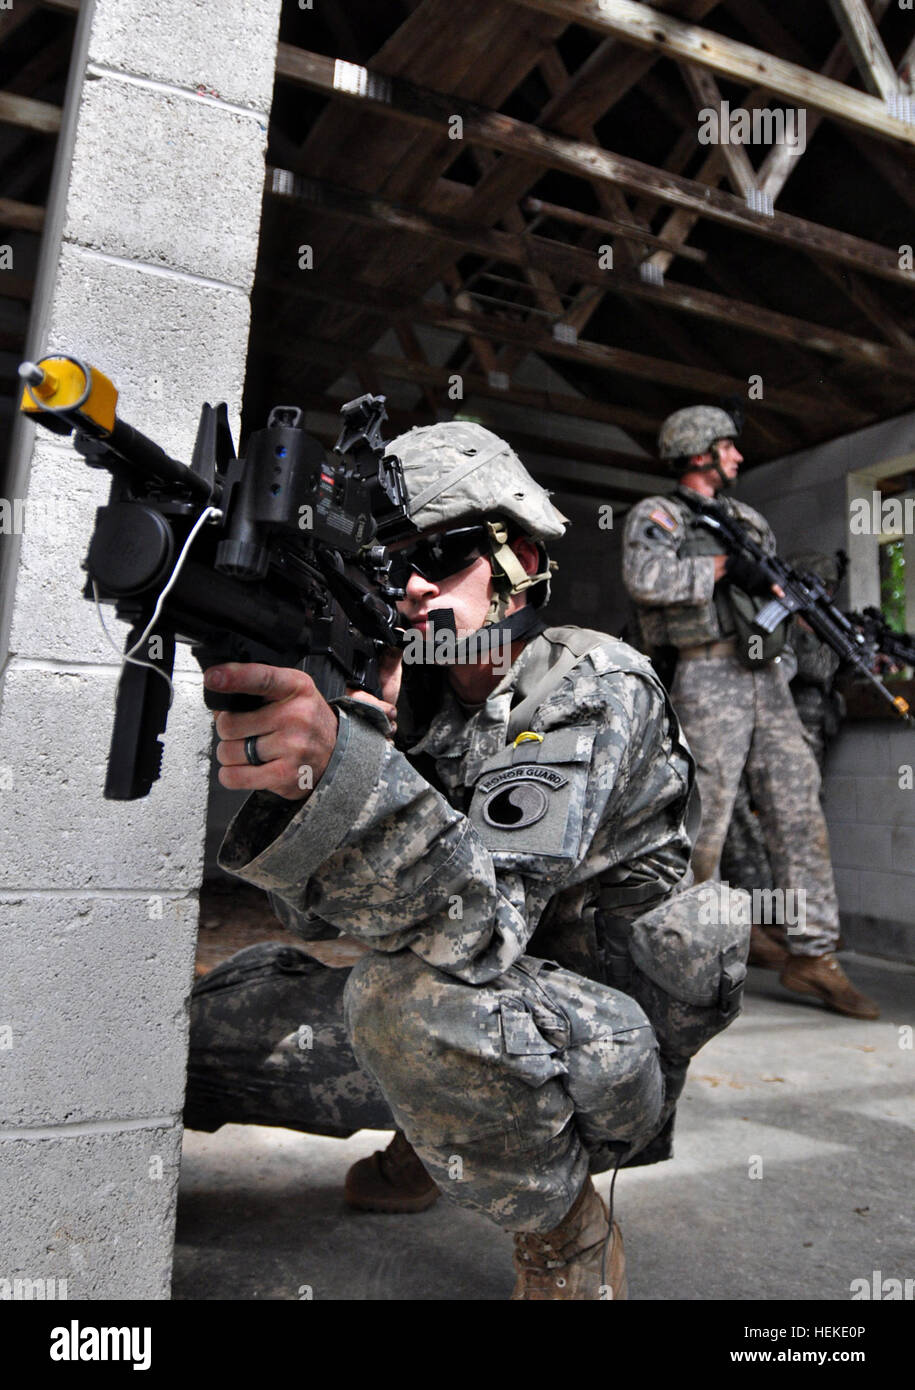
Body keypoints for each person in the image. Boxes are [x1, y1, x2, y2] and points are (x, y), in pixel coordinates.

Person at [184, 420, 745, 1300]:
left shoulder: (587, 679)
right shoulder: (421, 697)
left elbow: (481, 932)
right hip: (467, 1010)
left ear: (518, 555)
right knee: (204, 1026)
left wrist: (355, 770)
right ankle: (440, 1135)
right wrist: (334, 758)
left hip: (595, 1050)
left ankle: (565, 1231)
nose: (409, 588)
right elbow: (315, 918)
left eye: (440, 555)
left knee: (403, 999)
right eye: (388, 566)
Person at [622, 406, 879, 1020]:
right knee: (705, 817)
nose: (739, 457)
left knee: (798, 808)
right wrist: (720, 567)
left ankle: (812, 952)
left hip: (768, 674)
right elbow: (644, 576)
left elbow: (769, 598)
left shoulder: (750, 521)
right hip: (707, 672)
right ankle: (690, 954)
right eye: (729, 447)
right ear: (697, 450)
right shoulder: (660, 516)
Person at [719, 551, 846, 968]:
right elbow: (802, 664)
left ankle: (784, 929)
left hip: (781, 729)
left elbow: (804, 665)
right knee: (733, 827)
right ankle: (749, 926)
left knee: (789, 828)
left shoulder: (809, 626)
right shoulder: (765, 616)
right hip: (741, 723)